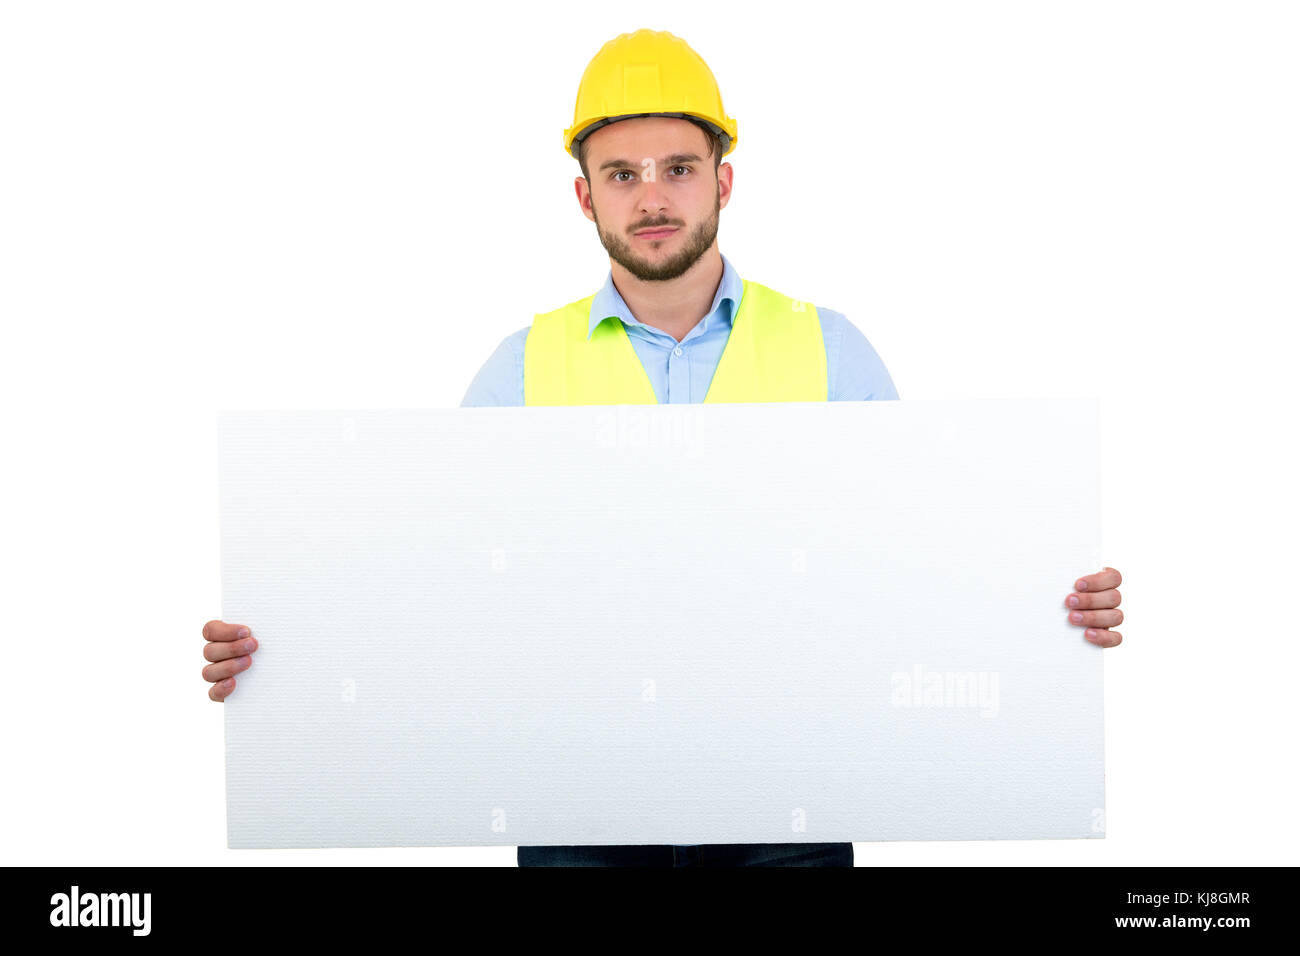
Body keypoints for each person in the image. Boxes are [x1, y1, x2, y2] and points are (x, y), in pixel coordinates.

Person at [202, 28, 1125, 867]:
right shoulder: (520, 369)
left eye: (679, 167)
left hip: (789, 811)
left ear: (725, 180)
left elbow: (921, 564)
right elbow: (431, 580)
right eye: (623, 173)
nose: (652, 198)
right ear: (583, 195)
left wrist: (1046, 609)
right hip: (577, 810)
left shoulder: (832, 351)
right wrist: (284, 649)